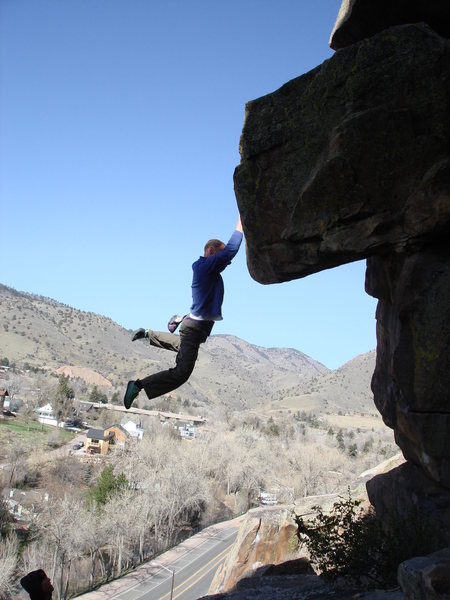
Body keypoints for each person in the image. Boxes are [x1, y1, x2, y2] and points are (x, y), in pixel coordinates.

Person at [124, 216, 243, 409]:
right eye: (219, 257)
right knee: (182, 372)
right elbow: (231, 250)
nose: (225, 263)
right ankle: (138, 385)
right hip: (194, 328)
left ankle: (148, 333)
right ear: (211, 251)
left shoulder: (205, 270)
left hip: (193, 327)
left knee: (183, 345)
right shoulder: (205, 267)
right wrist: (241, 222)